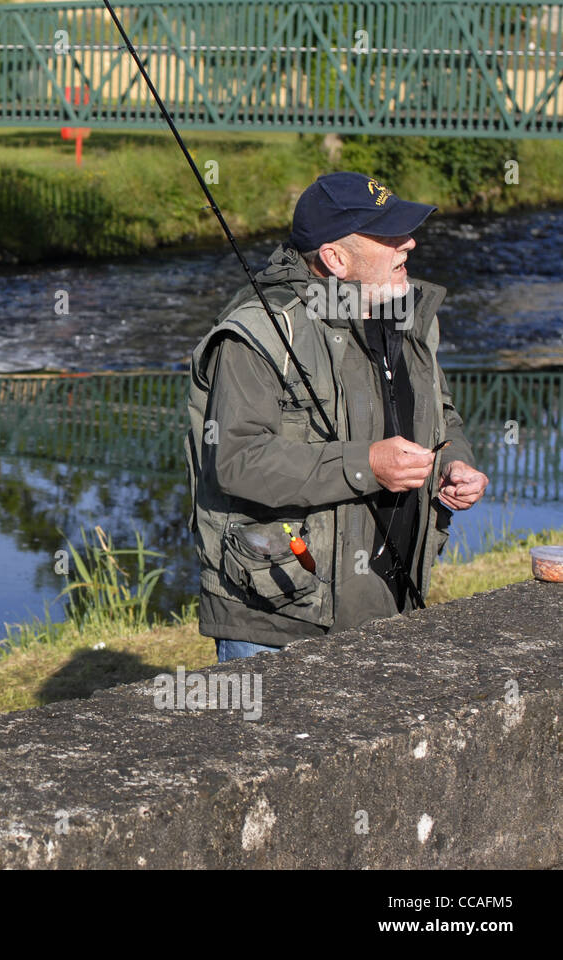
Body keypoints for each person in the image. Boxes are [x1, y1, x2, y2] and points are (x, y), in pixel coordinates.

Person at [185, 172, 489, 663]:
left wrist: (454, 461)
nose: (408, 243)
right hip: (279, 617)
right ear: (335, 258)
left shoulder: (403, 312)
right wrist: (368, 464)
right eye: (388, 236)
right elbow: (237, 459)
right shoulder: (258, 334)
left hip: (386, 598)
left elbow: (441, 411)